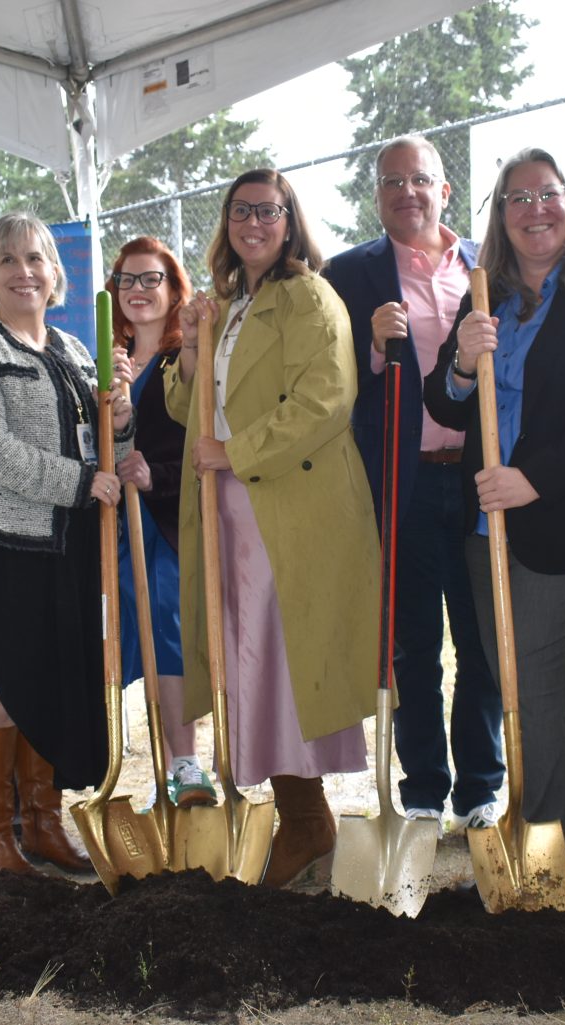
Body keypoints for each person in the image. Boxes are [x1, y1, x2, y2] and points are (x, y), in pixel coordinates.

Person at [423, 148, 565, 885]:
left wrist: (533, 480)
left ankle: (539, 853)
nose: (535, 210)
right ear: (500, 215)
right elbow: (442, 404)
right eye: (517, 199)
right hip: (487, 527)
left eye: (547, 194)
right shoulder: (483, 293)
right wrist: (461, 364)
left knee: (538, 692)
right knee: (526, 691)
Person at [166, 169, 378, 888]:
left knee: (281, 660)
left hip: (288, 503)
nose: (252, 223)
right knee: (252, 660)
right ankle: (299, 814)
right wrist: (191, 349)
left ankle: (307, 818)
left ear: (290, 221)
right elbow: (189, 409)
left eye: (268, 211)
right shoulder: (229, 304)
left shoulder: (308, 296)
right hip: (235, 506)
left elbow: (327, 398)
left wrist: (236, 452)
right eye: (240, 210)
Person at [0, 212, 136, 876]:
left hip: (64, 544)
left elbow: (108, 455)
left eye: (35, 259)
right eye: (7, 260)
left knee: (48, 681)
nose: (23, 271)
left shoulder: (77, 351)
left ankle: (44, 825)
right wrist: (78, 483)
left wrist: (122, 420)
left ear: (56, 273)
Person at [322, 136, 503, 833]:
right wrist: (372, 348)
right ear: (377, 195)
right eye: (391, 182)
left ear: (444, 190)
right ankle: (424, 787)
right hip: (400, 483)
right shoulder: (349, 274)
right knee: (412, 645)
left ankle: (481, 787)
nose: (407, 193)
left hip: (478, 481)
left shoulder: (486, 266)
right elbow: (328, 383)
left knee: (483, 641)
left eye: (419, 180)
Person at [105, 237, 216, 809]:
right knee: (131, 646)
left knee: (167, 637)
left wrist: (157, 477)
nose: (138, 290)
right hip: (118, 528)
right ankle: (154, 770)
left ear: (175, 290)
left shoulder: (186, 358)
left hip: (170, 523)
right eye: (127, 280)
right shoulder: (105, 363)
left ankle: (184, 764)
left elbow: (203, 435)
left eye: (152, 279)